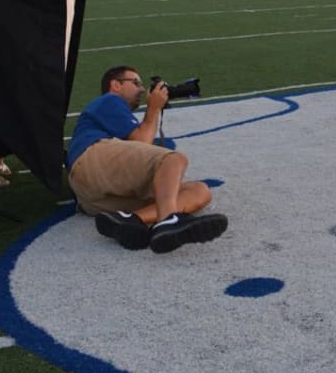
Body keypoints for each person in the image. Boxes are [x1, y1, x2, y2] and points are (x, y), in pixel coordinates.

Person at [67, 65, 228, 254]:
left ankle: (129, 220)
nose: (142, 90)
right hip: (91, 158)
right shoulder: (109, 100)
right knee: (174, 159)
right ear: (115, 85)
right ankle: (168, 220)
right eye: (135, 83)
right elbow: (142, 140)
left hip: (95, 197)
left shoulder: (115, 114)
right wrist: (154, 107)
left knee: (199, 191)